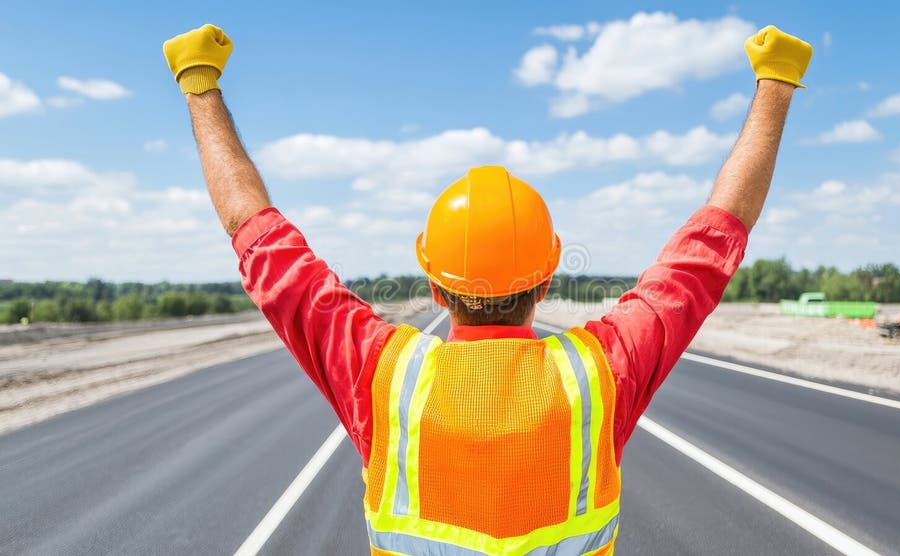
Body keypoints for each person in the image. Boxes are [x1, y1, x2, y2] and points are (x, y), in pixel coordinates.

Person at [164, 22, 811, 556]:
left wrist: (201, 83)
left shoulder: (385, 377)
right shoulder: (596, 375)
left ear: (434, 287)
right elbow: (710, 245)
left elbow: (260, 237)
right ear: (548, 277)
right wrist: (775, 83)